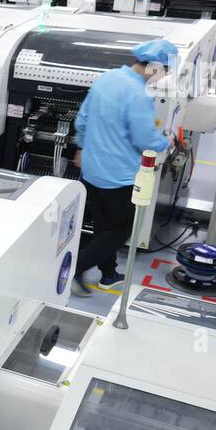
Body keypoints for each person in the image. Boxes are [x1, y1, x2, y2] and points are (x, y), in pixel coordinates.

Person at [70, 38, 176, 297]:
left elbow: (82, 120)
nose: (162, 78)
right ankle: (75, 268)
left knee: (103, 226)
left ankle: (108, 274)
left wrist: (82, 148)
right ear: (154, 67)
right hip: (119, 177)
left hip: (93, 170)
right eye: (164, 71)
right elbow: (144, 140)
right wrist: (167, 141)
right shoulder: (137, 95)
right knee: (119, 231)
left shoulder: (107, 78)